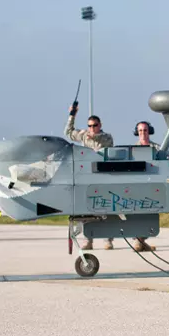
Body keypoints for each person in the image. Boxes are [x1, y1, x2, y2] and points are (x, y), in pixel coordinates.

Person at [65, 104, 115, 249]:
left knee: (107, 208)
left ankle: (108, 240)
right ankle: (88, 240)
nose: (92, 128)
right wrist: (72, 115)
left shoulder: (106, 137)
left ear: (100, 125)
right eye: (90, 126)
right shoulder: (84, 135)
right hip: (87, 177)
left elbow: (101, 140)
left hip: (103, 176)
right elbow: (68, 132)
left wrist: (91, 136)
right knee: (86, 209)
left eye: (95, 125)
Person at [130, 120, 160, 252]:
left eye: (145, 130)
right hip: (138, 185)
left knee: (151, 213)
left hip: (153, 184)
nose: (143, 133)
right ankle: (138, 241)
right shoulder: (131, 150)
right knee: (136, 214)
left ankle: (141, 241)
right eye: (140, 130)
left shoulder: (157, 148)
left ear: (150, 131)